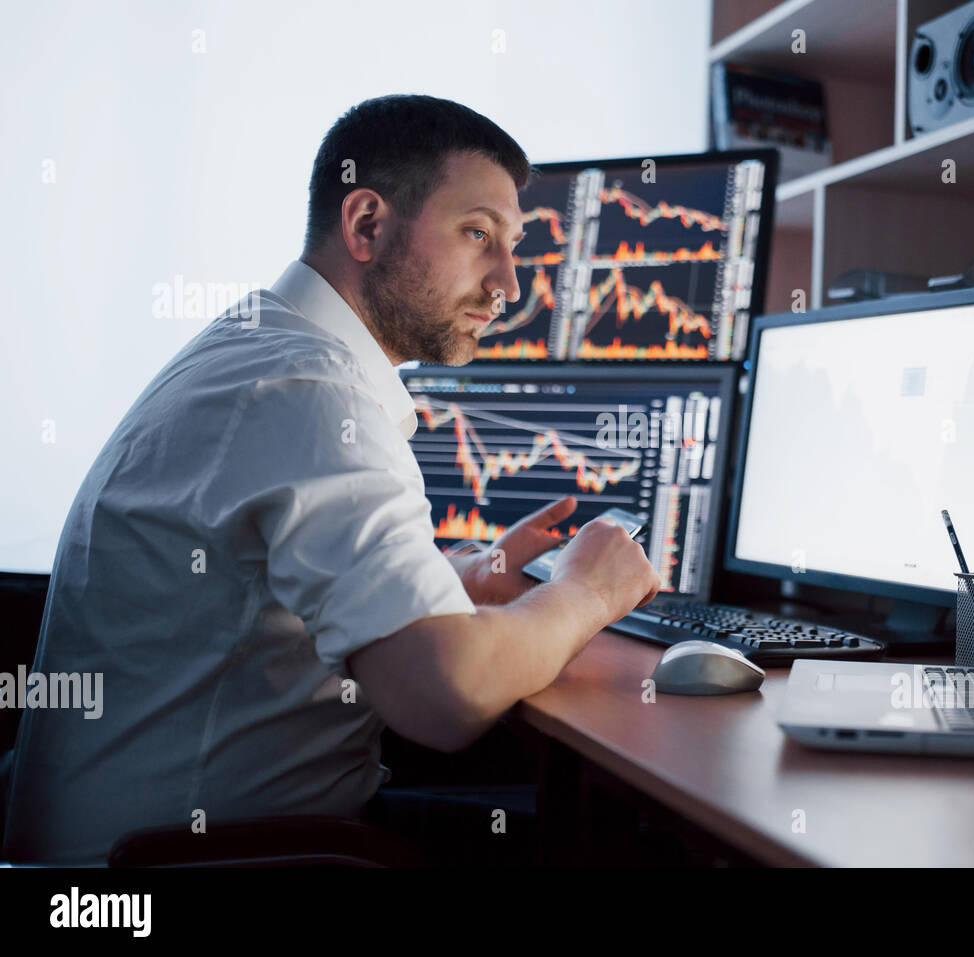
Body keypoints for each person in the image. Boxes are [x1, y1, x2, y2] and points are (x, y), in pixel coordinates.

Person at [2, 94, 659, 865]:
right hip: (182, 873)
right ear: (368, 224)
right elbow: (445, 696)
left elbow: (274, 585)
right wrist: (587, 591)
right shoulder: (310, 390)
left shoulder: (259, 347)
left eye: (511, 245)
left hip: (124, 858)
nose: (508, 283)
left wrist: (470, 576)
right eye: (478, 235)